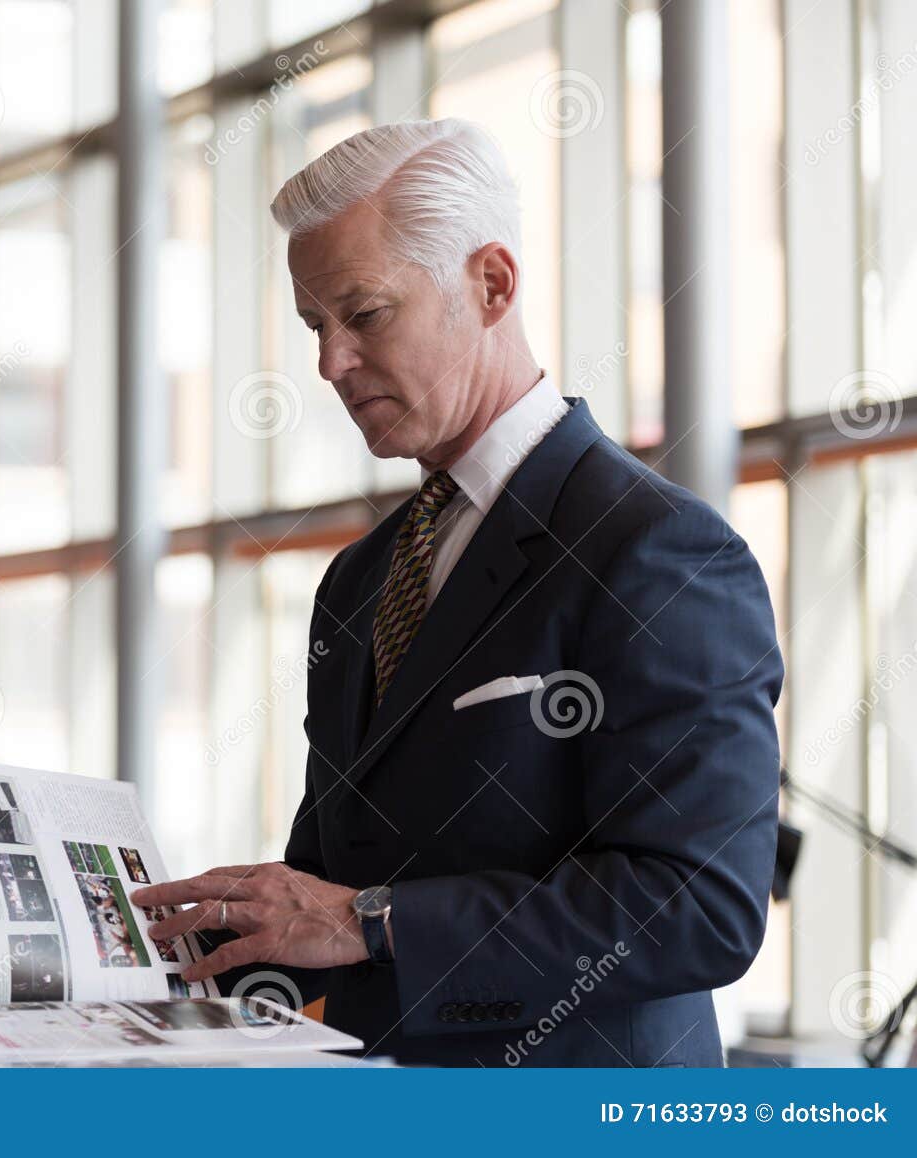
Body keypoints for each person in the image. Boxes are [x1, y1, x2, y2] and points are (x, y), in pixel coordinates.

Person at [133, 119, 784, 1067]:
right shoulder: (362, 578)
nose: (330, 365)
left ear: (492, 285)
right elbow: (328, 900)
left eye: (364, 315)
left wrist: (374, 921)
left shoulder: (659, 549)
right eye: (317, 326)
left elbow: (699, 906)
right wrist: (135, 960)